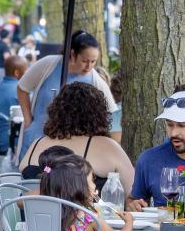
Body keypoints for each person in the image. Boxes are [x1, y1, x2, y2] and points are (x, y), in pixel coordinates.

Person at [15, 30, 116, 160]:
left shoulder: (95, 80)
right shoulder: (48, 64)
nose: (89, 66)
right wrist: (28, 121)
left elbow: (111, 111)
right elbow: (22, 87)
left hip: (70, 151)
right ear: (73, 54)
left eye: (93, 61)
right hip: (36, 140)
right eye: (85, 60)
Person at [19, 82, 135, 191]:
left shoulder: (37, 144)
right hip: (85, 207)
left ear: (56, 111)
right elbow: (132, 192)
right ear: (98, 115)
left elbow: (21, 186)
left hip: (29, 206)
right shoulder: (108, 147)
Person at [0, 56, 27, 155]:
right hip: (9, 145)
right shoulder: (20, 91)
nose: (28, 73)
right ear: (16, 73)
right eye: (26, 70)